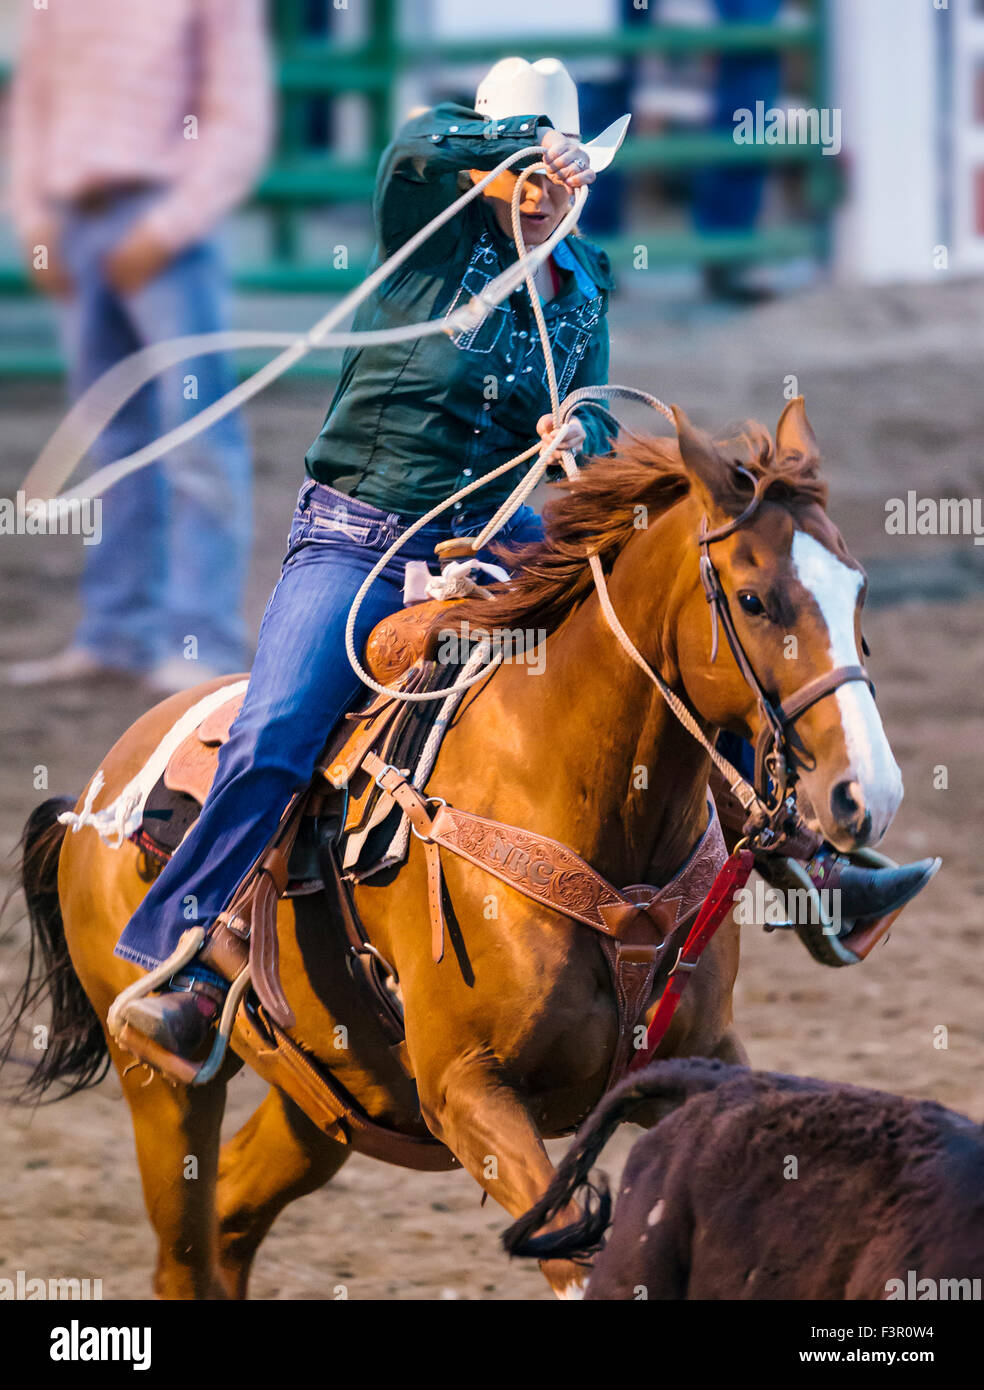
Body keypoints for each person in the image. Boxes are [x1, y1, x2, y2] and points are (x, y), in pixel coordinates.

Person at [113, 57, 934, 1062]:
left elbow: (583, 434)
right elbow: (415, 142)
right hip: (357, 535)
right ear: (496, 166)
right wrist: (516, 150)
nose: (553, 196)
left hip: (505, 534)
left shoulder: (580, 286)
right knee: (281, 723)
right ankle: (186, 961)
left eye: (570, 175)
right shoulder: (429, 234)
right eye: (537, 175)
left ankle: (818, 875)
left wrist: (571, 443)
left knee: (662, 642)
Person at [5, 0, 273, 692]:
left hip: (165, 224)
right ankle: (115, 632)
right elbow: (35, 101)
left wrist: (168, 227)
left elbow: (237, 114)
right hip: (75, 219)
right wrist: (36, 219)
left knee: (198, 437)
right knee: (111, 438)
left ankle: (201, 641)